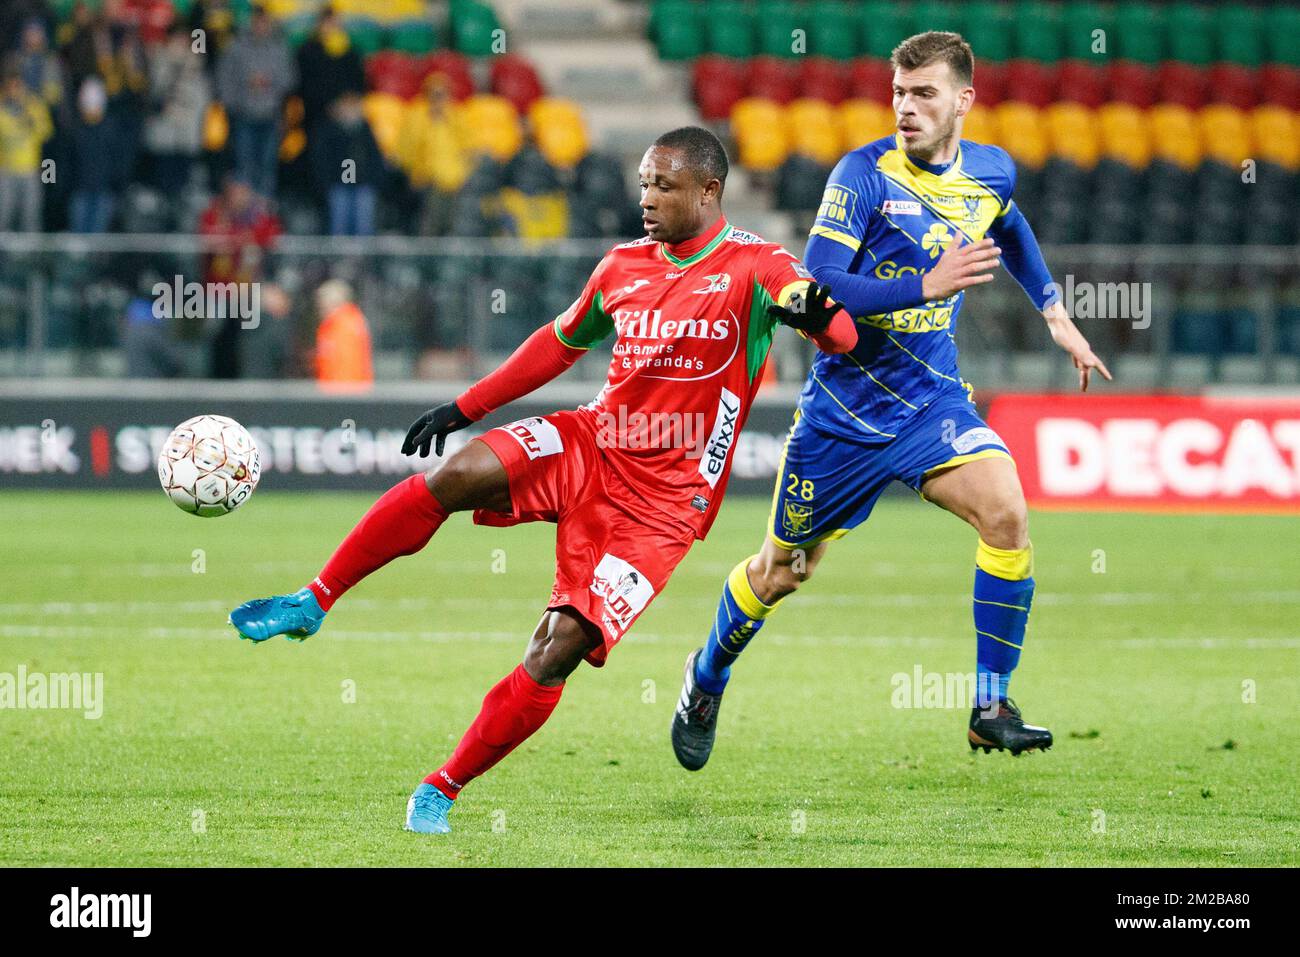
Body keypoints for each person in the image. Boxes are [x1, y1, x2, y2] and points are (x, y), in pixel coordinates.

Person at [227, 126, 858, 834]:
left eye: (664, 185)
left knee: (555, 646)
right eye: (644, 183)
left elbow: (839, 336)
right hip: (594, 442)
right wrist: (464, 408)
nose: (646, 198)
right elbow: (555, 346)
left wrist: (818, 314)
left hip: (664, 507)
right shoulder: (621, 267)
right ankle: (314, 597)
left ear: (710, 190)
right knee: (456, 472)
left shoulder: (757, 266)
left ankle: (443, 785)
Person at [671, 32, 1114, 769]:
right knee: (781, 571)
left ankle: (990, 704)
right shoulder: (863, 176)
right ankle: (705, 674)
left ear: (963, 101)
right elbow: (815, 284)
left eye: (925, 94)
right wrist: (924, 285)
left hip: (930, 403)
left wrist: (1053, 310)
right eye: (900, 94)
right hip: (842, 418)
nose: (906, 109)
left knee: (1006, 513)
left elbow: (1008, 222)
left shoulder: (992, 171)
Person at [216, 2, 295, 198]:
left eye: (264, 22)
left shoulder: (279, 48)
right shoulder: (236, 46)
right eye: (257, 21)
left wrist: (268, 83)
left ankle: (263, 213)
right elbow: (224, 78)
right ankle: (244, 215)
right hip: (243, 115)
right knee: (244, 165)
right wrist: (235, 102)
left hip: (271, 115)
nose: (261, 26)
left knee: (267, 165)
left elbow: (289, 79)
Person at [0, 63, 52, 232]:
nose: (14, 89)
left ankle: (29, 257)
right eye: (10, 85)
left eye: (17, 85)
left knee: (30, 215)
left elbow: (47, 132)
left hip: (31, 170)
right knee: (4, 213)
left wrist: (29, 119)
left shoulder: (34, 104)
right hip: (5, 170)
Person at [313, 278, 372, 386]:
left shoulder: (342, 326)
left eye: (321, 303)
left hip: (341, 394)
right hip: (341, 392)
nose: (319, 309)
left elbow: (346, 365)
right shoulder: (346, 321)